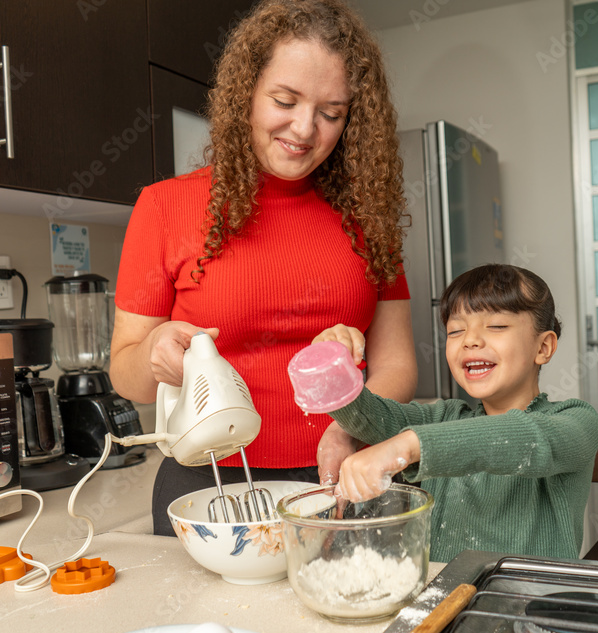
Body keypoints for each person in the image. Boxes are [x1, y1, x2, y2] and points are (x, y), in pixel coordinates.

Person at [111, 0, 417, 536]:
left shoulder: (369, 218)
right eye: (285, 100)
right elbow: (126, 375)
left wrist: (354, 426)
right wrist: (156, 351)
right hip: (202, 481)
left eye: (332, 113)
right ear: (246, 92)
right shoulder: (163, 207)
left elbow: (399, 365)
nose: (305, 128)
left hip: (342, 474)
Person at [314, 264, 598, 563]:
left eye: (496, 326)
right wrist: (331, 368)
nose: (470, 340)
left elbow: (524, 438)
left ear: (543, 347)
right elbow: (372, 417)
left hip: (531, 602)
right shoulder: (443, 417)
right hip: (443, 601)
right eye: (456, 330)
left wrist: (409, 445)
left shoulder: (576, 420)